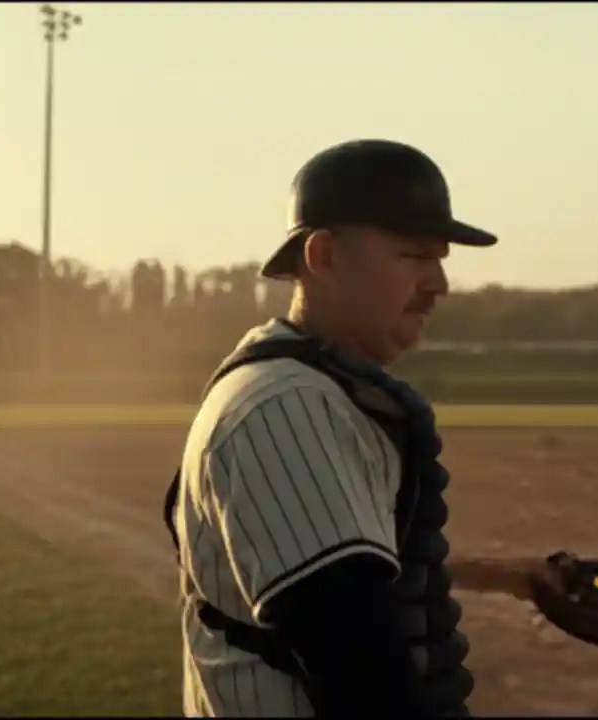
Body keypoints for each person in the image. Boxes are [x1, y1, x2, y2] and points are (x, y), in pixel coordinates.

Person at [169, 139, 558, 717]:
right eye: (415, 255)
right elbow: (359, 665)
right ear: (324, 257)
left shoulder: (312, 389)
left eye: (441, 259)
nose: (439, 283)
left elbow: (351, 571)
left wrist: (518, 576)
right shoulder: (287, 406)